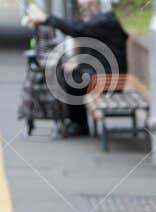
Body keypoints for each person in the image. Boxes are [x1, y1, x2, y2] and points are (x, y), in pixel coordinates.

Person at [26, 1, 128, 133]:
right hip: (106, 73)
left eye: (85, 6)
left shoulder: (104, 21)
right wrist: (79, 64)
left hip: (111, 79)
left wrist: (47, 19)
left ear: (95, 4)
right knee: (72, 74)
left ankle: (79, 125)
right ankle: (76, 121)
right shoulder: (103, 20)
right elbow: (97, 54)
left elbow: (77, 29)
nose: (82, 8)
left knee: (73, 79)